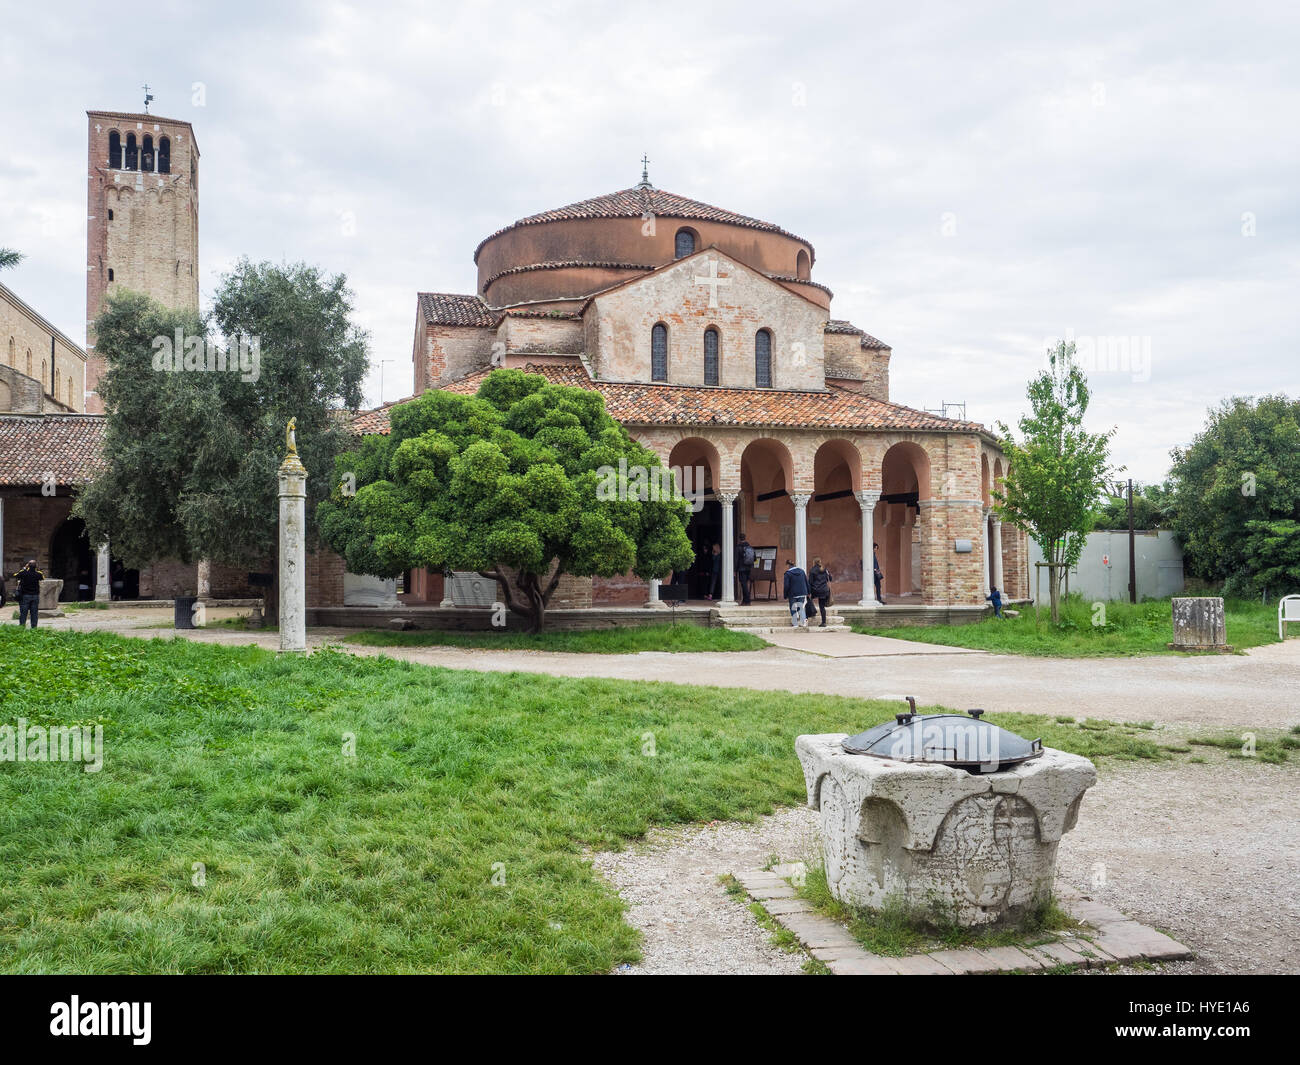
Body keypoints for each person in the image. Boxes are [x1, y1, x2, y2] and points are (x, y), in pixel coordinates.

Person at [12, 559, 44, 629]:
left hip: (25, 596)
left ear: (28, 565)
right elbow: (42, 577)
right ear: (36, 566)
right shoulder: (38, 574)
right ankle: (34, 628)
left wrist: (24, 568)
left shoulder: (24, 573)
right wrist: (37, 569)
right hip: (35, 596)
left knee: (23, 613)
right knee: (34, 613)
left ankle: (22, 628)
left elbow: (15, 575)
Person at [783, 558, 809, 628]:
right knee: (800, 607)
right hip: (802, 592)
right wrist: (808, 591)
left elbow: (786, 586)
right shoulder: (802, 571)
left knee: (793, 608)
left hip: (792, 593)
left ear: (788, 565)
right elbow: (806, 582)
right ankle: (803, 621)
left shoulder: (787, 574)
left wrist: (785, 595)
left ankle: (795, 623)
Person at [809, 557, 833, 627]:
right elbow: (830, 579)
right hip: (824, 590)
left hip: (816, 590)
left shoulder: (812, 570)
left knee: (809, 601)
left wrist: (809, 591)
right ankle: (823, 622)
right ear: (820, 562)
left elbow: (810, 582)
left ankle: (811, 614)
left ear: (814, 562)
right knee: (822, 606)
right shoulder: (825, 570)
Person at [737, 534, 755, 605]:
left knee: (743, 584)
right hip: (749, 568)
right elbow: (755, 558)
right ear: (745, 538)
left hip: (741, 569)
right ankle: (744, 601)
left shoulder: (738, 547)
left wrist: (735, 570)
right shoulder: (750, 547)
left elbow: (736, 559)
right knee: (745, 584)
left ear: (739, 539)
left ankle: (747, 600)